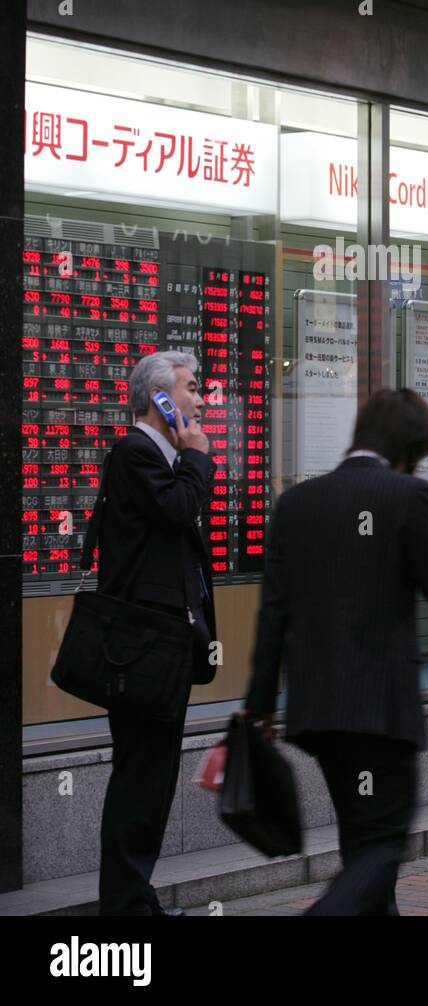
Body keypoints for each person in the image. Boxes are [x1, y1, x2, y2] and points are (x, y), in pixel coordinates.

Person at [245, 387, 428, 916]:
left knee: (361, 840)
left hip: (317, 710)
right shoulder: (407, 495)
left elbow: (274, 612)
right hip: (380, 711)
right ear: (411, 450)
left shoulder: (297, 502)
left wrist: (259, 704)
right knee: (384, 842)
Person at [97, 350, 215, 916]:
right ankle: (125, 909)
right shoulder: (135, 453)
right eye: (191, 388)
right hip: (143, 649)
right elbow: (177, 510)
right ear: (159, 399)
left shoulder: (159, 457)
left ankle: (135, 899)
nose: (200, 399)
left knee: (154, 778)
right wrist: (196, 458)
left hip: (162, 648)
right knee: (140, 778)